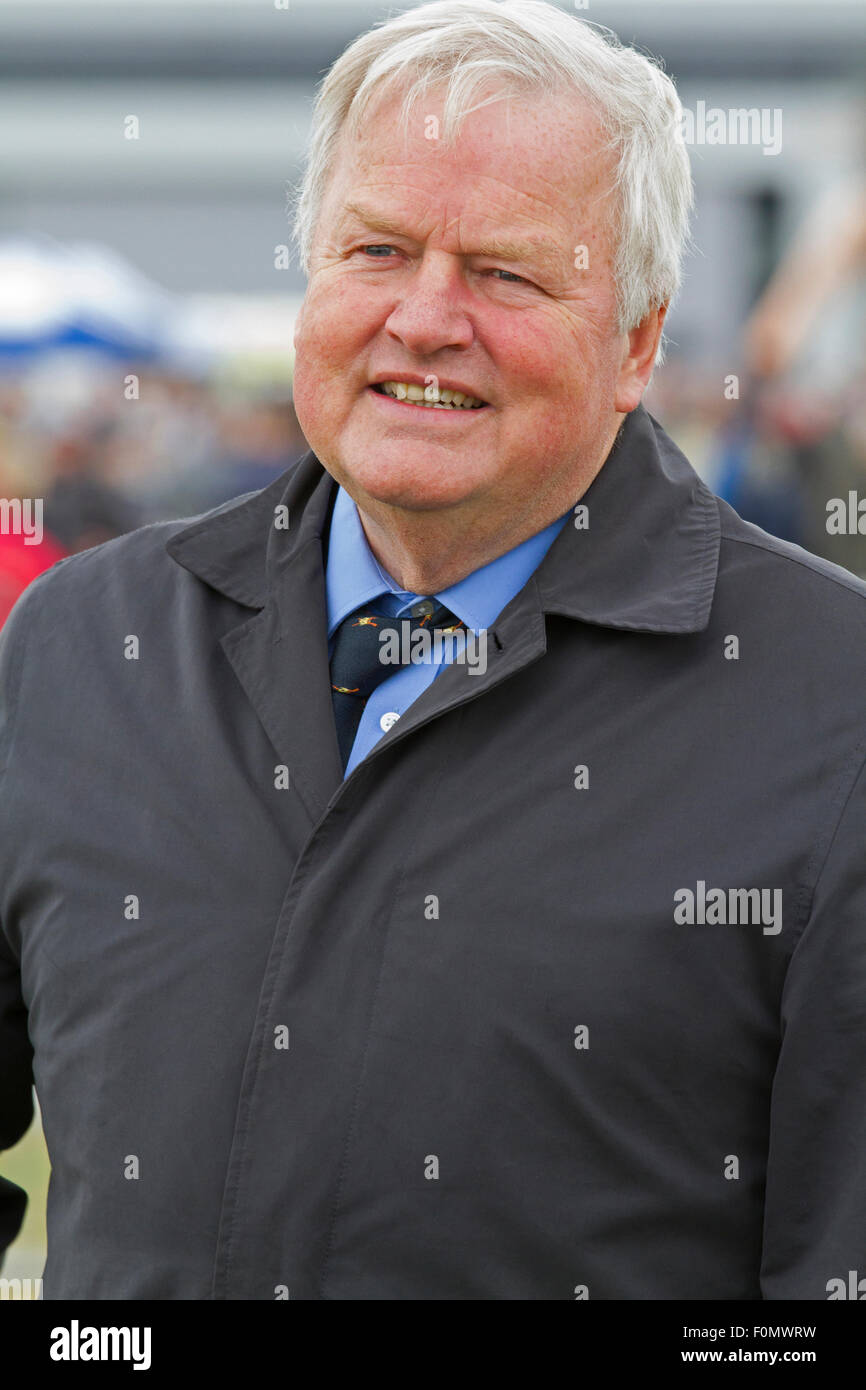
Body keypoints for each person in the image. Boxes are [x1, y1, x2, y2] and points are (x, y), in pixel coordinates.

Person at [2, 0, 865, 1301]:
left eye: (505, 272)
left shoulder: (828, 704)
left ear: (636, 340)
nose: (422, 317)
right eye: (374, 250)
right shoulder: (83, 642)